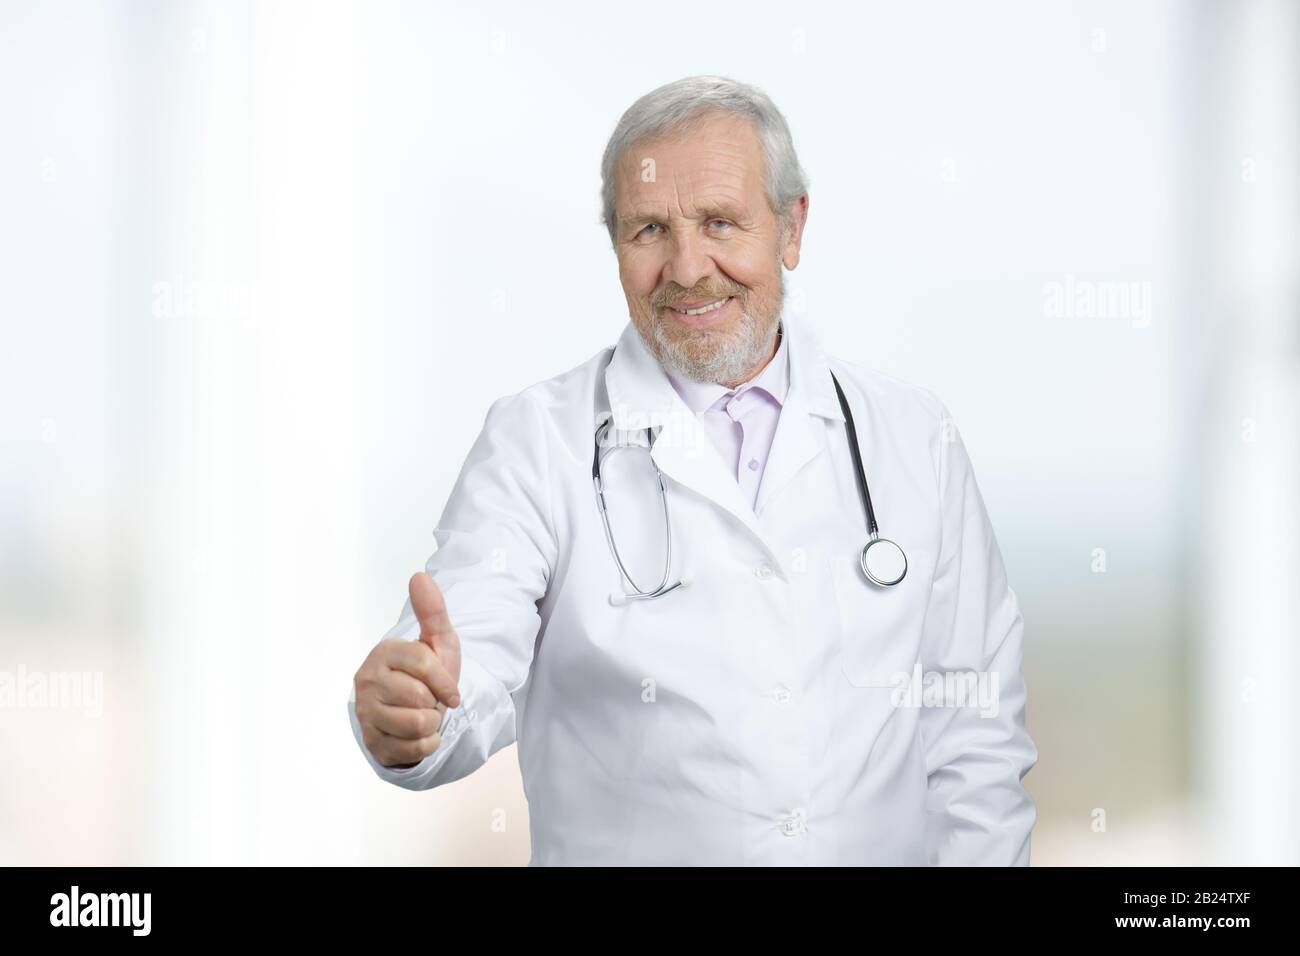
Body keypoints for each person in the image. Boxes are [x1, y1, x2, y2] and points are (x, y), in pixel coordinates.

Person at [348, 75, 1037, 865]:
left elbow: (976, 751)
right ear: (615, 247)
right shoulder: (537, 441)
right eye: (648, 231)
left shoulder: (914, 438)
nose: (686, 268)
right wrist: (419, 713)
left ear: (791, 228)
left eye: (719, 223)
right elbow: (463, 653)